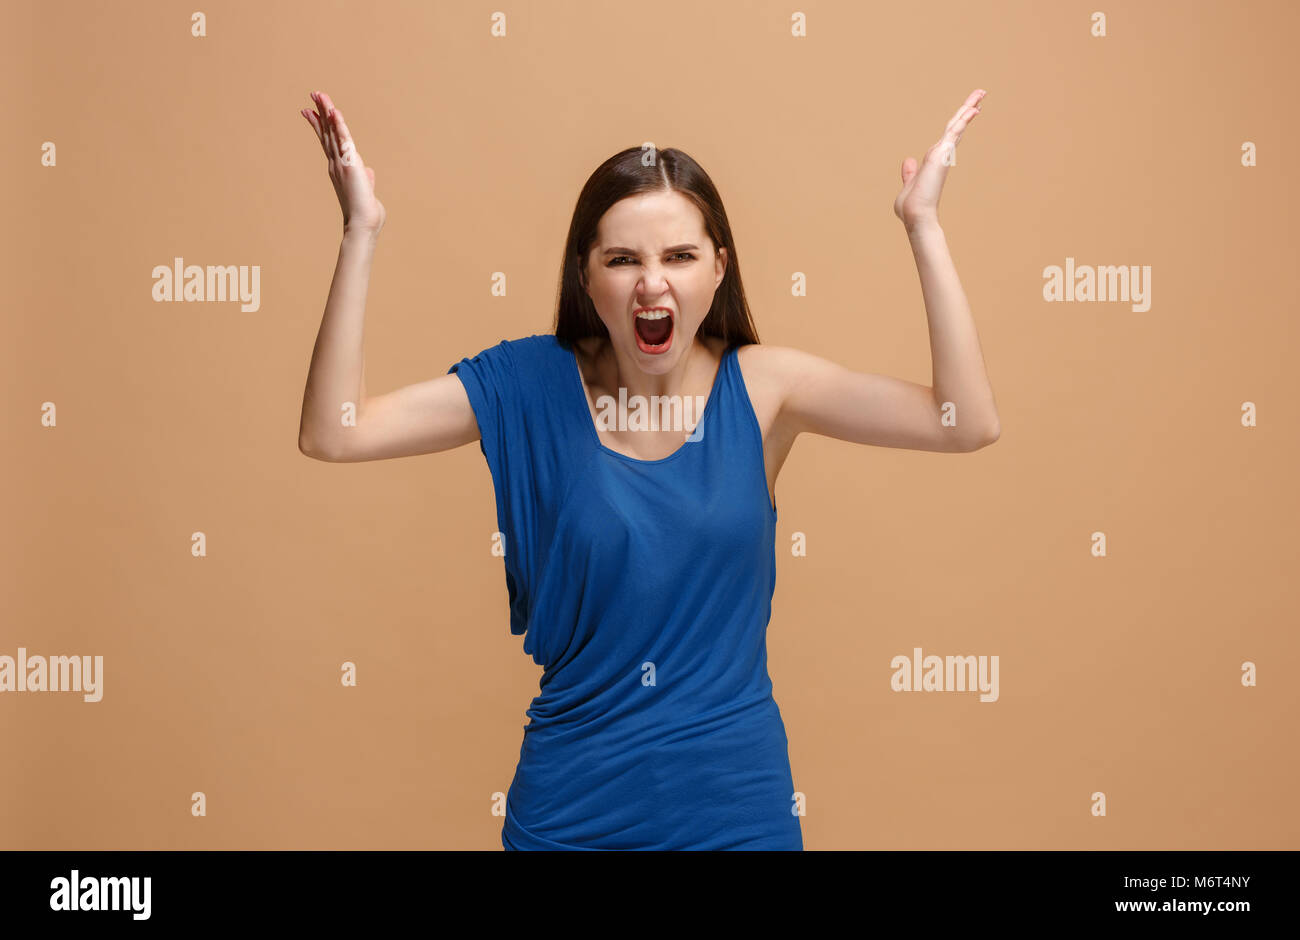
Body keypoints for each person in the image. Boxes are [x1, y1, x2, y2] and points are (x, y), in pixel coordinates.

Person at [297, 89, 999, 850]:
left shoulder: (766, 390)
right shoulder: (525, 386)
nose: (652, 283)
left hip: (737, 813)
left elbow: (963, 422)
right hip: (571, 812)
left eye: (680, 257)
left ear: (719, 268)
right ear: (586, 275)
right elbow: (335, 433)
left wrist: (922, 225)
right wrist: (359, 231)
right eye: (623, 259)